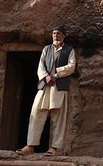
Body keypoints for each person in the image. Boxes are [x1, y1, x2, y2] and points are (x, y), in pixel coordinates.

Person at [17, 25, 76, 157]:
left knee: (58, 117)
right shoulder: (46, 49)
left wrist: (56, 74)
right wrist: (45, 77)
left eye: (59, 33)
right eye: (54, 33)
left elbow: (71, 67)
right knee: (37, 112)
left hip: (59, 87)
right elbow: (41, 66)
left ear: (64, 36)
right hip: (45, 86)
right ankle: (30, 145)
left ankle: (54, 148)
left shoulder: (69, 50)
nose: (56, 35)